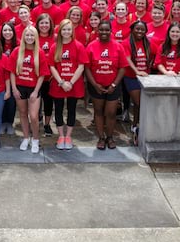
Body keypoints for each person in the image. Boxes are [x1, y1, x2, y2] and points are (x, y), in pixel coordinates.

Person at [85, 20, 127, 150]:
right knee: (98, 111)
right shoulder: (91, 46)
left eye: (106, 30)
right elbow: (87, 68)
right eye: (101, 30)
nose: (104, 32)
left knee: (111, 113)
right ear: (97, 31)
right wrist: (95, 85)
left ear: (111, 31)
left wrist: (113, 85)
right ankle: (101, 137)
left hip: (112, 86)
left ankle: (110, 137)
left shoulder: (118, 46)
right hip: (96, 85)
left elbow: (122, 67)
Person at [48, 19, 88, 150]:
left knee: (72, 110)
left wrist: (70, 82)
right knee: (58, 110)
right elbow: (52, 66)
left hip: (73, 84)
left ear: (72, 31)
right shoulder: (55, 47)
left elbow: (81, 66)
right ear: (60, 31)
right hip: (58, 83)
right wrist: (61, 82)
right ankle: (60, 136)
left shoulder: (78, 46)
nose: (66, 32)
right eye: (64, 29)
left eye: (69, 29)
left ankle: (68, 136)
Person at [8, 25, 47, 153]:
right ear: (23, 36)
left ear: (35, 37)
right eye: (27, 35)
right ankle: (26, 137)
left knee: (34, 116)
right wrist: (14, 88)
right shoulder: (17, 51)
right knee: (23, 114)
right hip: (20, 87)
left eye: (32, 35)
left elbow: (42, 74)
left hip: (33, 88)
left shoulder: (39, 52)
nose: (29, 37)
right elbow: (12, 72)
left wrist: (36, 91)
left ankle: (35, 139)